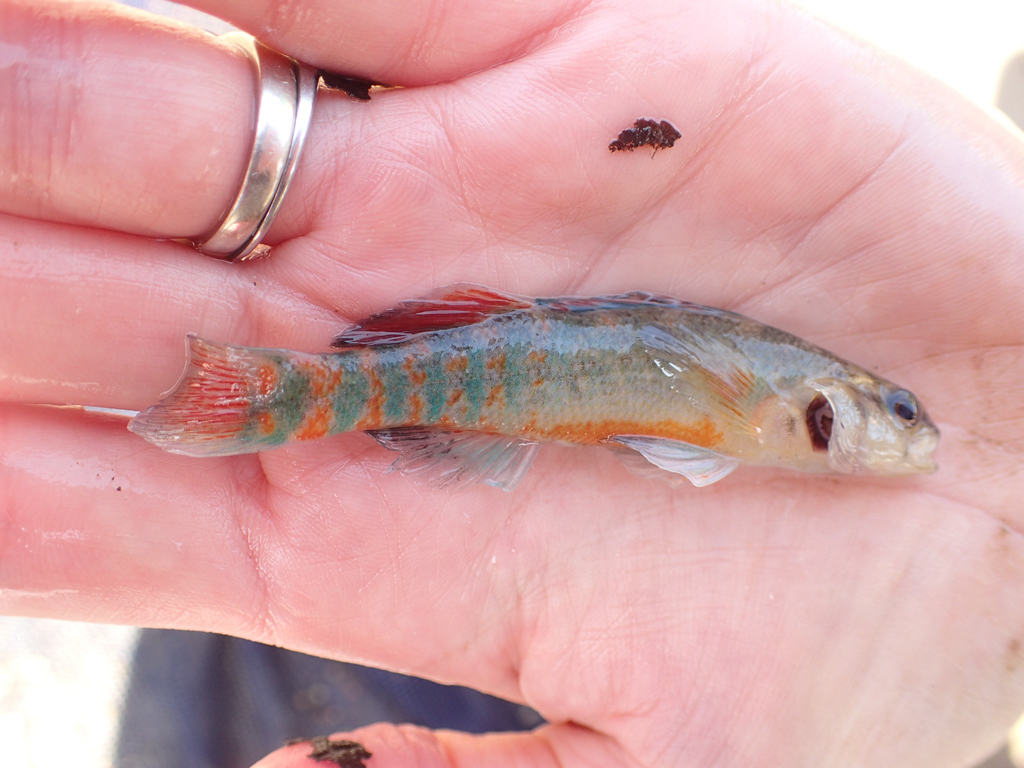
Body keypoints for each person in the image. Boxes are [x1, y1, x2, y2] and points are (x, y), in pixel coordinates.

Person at [2, 0, 1023, 766]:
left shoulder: (784, 415)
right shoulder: (772, 399)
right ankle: (273, 397)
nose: (906, 434)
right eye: (894, 414)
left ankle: (266, 403)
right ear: (827, 405)